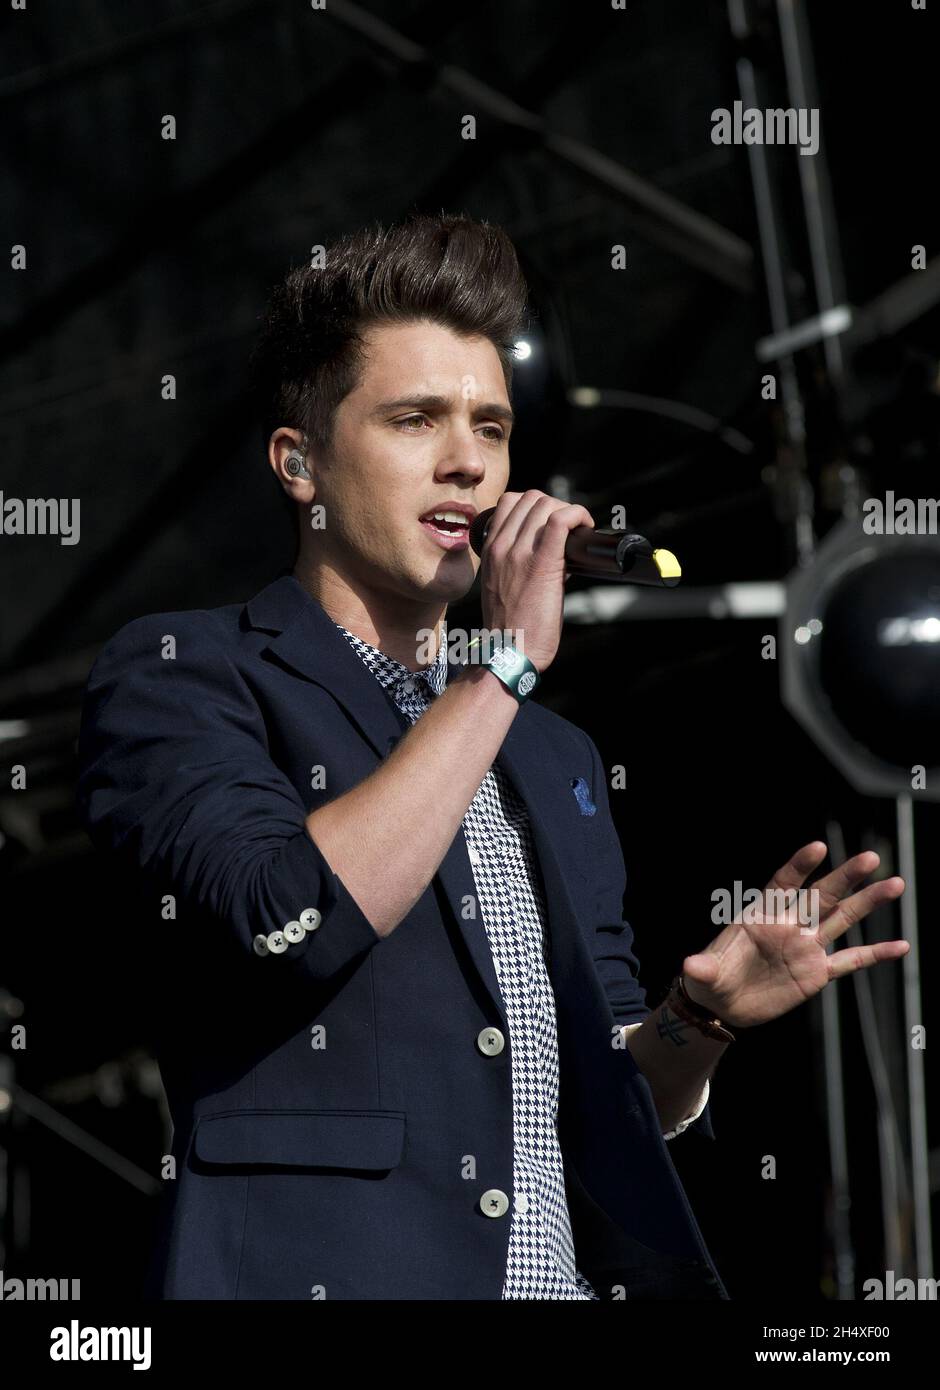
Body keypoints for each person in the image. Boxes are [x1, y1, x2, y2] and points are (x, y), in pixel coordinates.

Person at [76, 213, 908, 1301]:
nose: (467, 460)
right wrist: (503, 664)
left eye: (491, 425)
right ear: (300, 463)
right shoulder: (188, 674)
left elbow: (600, 1101)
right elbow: (290, 917)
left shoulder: (549, 751)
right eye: (415, 419)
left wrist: (694, 1022)